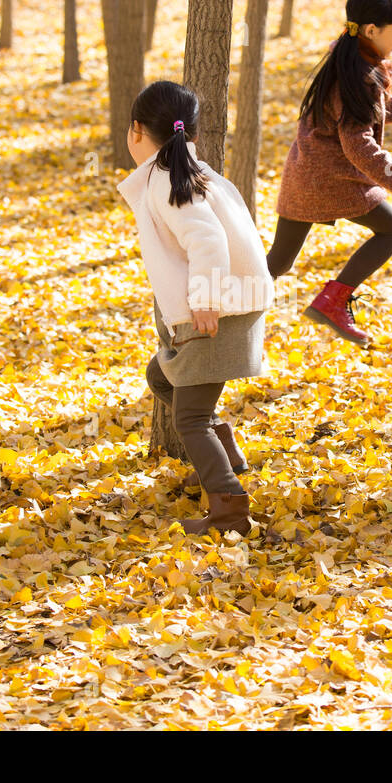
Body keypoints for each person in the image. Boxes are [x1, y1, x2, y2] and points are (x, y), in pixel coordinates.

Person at [117, 81, 274, 535]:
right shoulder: (193, 171)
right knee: (159, 377)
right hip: (231, 307)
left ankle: (229, 511)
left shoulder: (168, 178)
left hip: (215, 312)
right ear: (193, 135)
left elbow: (207, 239)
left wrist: (205, 299)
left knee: (190, 417)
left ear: (136, 132)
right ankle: (221, 459)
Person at [267, 0, 392, 347]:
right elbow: (358, 143)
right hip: (331, 180)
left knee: (278, 263)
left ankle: (223, 304)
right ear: (371, 30)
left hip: (308, 175)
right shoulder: (360, 75)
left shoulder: (350, 61)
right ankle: (333, 300)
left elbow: (360, 117)